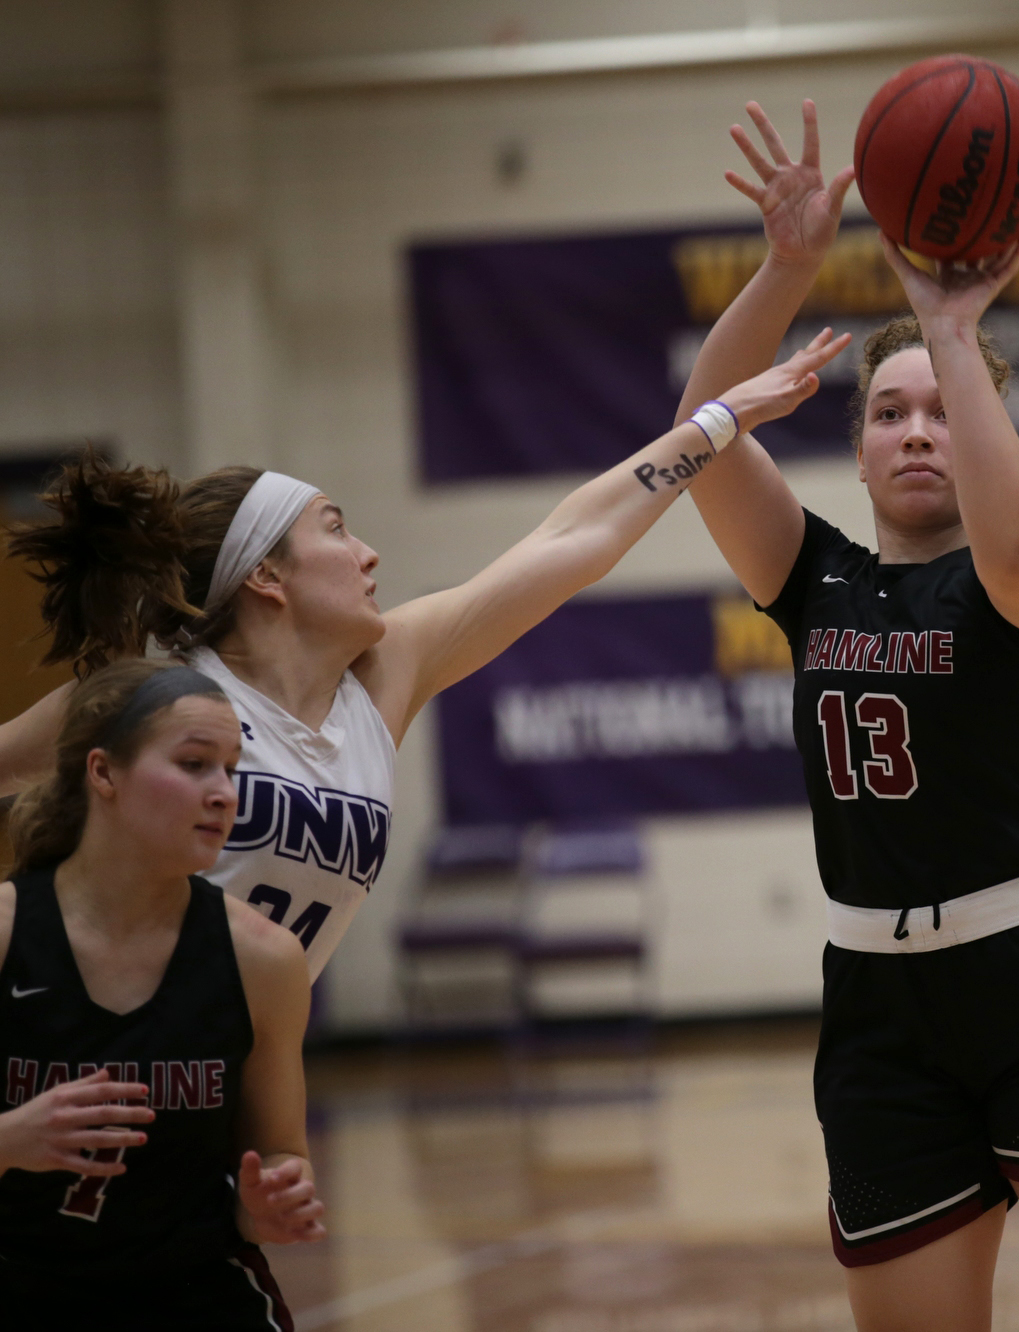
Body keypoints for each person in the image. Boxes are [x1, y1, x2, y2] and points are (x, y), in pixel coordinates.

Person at [677, 101, 1019, 1332]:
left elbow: (1015, 531)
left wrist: (948, 327)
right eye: (885, 414)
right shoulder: (813, 581)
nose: (915, 430)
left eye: (938, 411)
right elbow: (700, 431)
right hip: (876, 1006)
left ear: (980, 434)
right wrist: (789, 267)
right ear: (854, 454)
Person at [0, 333, 849, 978]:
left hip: (236, 1078)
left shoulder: (380, 680)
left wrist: (720, 422)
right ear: (265, 575)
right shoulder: (158, 699)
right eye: (335, 529)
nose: (368, 554)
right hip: (97, 1052)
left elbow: (574, 537)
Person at [0, 660, 325, 1330]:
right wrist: (9, 1139)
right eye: (194, 764)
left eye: (232, 770)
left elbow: (281, 1150)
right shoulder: (5, 932)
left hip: (196, 1294)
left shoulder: (264, 957)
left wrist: (268, 1201)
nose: (224, 793)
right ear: (103, 772)